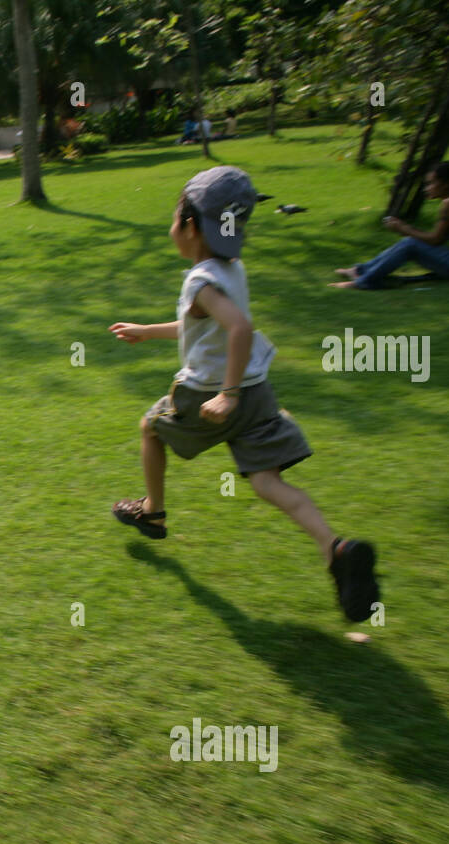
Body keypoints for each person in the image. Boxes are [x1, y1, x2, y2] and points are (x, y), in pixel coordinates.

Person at [109, 166, 379, 622]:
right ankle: (335, 549)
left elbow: (239, 328)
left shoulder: (198, 280)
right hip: (258, 391)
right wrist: (148, 331)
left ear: (190, 225)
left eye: (175, 218)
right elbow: (205, 326)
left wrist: (226, 394)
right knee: (267, 482)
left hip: (211, 394)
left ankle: (152, 512)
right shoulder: (231, 269)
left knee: (150, 429)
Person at [331, 161, 449, 289]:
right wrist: (406, 230)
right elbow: (437, 239)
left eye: (431, 183)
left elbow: (435, 240)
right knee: (410, 243)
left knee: (409, 244)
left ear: (447, 184)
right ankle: (360, 271)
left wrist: (404, 229)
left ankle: (363, 281)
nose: (427, 188)